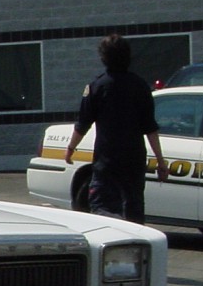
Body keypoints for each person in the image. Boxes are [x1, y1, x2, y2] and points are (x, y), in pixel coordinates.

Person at [64, 33, 169, 223]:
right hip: (134, 161)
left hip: (107, 162)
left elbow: (83, 124)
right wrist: (161, 161)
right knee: (134, 209)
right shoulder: (140, 86)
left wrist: (70, 149)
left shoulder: (97, 87)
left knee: (102, 208)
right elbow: (150, 128)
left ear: (104, 58)